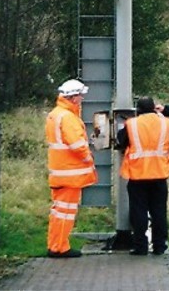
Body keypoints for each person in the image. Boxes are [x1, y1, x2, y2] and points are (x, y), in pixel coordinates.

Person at [117, 97, 169, 255]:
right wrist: (166, 109)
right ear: (154, 108)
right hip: (159, 174)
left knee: (138, 211)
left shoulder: (132, 125)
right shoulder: (165, 123)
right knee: (159, 212)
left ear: (138, 110)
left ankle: (140, 246)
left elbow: (120, 141)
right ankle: (159, 246)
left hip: (137, 175)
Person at [45, 79, 98, 258]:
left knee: (59, 211)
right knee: (65, 213)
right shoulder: (68, 117)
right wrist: (88, 158)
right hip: (70, 174)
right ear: (73, 97)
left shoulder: (55, 114)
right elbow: (76, 145)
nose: (82, 99)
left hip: (61, 172)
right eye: (80, 95)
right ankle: (60, 247)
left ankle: (56, 245)